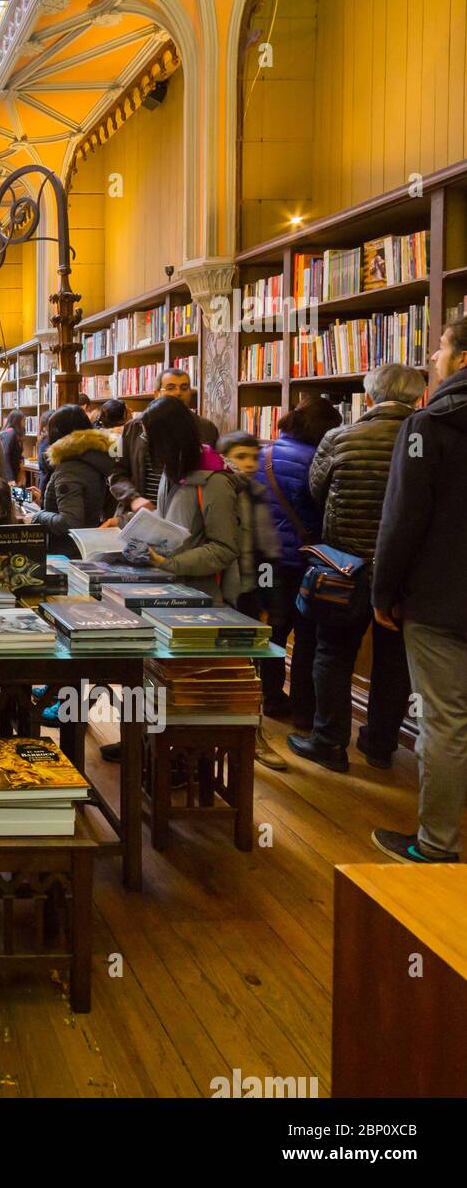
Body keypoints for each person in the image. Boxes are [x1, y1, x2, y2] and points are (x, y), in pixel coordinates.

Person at [289, 363, 425, 773]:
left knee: (332, 654)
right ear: (418, 399)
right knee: (393, 660)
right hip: (403, 571)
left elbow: (316, 489)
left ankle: (329, 741)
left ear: (368, 397)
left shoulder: (339, 436)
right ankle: (381, 744)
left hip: (343, 565)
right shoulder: (425, 438)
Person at [371, 320, 467, 862]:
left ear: (462, 359)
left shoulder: (429, 425)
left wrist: (384, 593)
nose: (434, 355)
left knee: (445, 723)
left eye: (442, 347)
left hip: (440, 598)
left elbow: (403, 520)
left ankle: (436, 844)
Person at [252, 397, 342, 735]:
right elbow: (323, 512)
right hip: (304, 561)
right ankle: (305, 712)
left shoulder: (263, 453)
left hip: (266, 560)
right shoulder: (319, 461)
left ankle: (270, 696)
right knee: (306, 635)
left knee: (272, 631)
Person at [218, 429, 287, 769]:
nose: (248, 463)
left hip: (246, 593)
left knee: (251, 668)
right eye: (239, 456)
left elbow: (268, 549)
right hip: (217, 594)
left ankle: (253, 737)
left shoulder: (257, 494)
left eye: (254, 457)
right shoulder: (216, 490)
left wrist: (270, 600)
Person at [138, 396, 240, 604]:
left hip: (201, 596)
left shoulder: (215, 482)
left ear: (167, 441)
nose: (148, 448)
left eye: (150, 440)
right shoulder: (172, 470)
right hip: (170, 587)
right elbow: (172, 519)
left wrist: (171, 563)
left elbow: (224, 548)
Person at [110, 366, 220, 517]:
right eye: (170, 388)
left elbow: (210, 476)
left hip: (183, 515)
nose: (178, 393)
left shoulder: (205, 429)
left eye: (184, 388)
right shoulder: (134, 427)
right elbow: (116, 472)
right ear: (157, 393)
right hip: (137, 513)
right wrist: (133, 498)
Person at [27, 404, 116, 556]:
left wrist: (36, 517)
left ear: (57, 434)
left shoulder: (70, 468)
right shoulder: (90, 459)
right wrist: (46, 499)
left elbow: (69, 522)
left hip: (66, 551)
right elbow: (82, 502)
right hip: (86, 546)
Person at [0, 409, 25, 483]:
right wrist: (10, 479)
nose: (24, 423)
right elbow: (5, 454)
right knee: (14, 494)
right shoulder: (10, 433)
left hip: (12, 472)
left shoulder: (11, 433)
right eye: (23, 420)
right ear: (17, 421)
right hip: (9, 476)